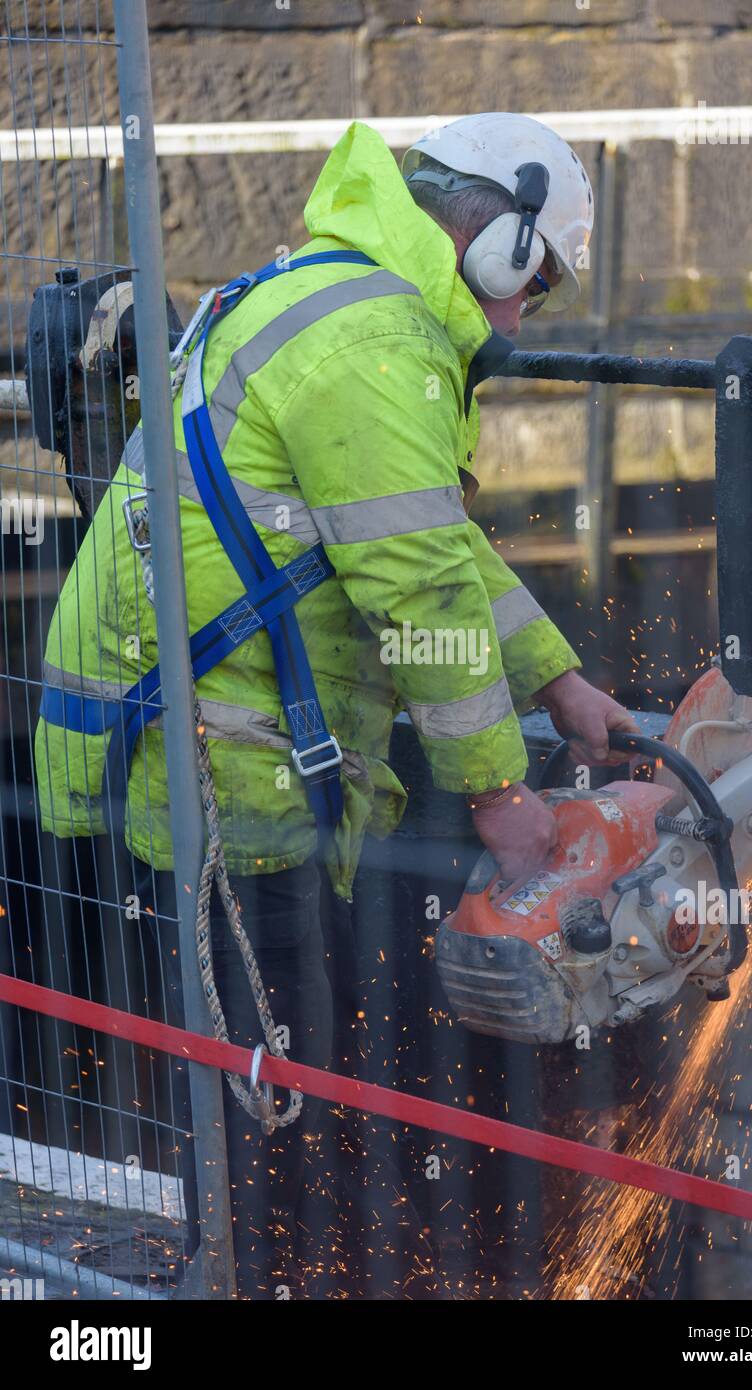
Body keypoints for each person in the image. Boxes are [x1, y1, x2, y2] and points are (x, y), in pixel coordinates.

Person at [34, 112, 638, 1296]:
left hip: (199, 728)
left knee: (276, 1033)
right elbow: (411, 584)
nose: (522, 320)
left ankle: (267, 1249)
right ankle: (259, 1266)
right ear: (496, 239)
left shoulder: (349, 295)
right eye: (535, 287)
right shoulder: (373, 337)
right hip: (208, 753)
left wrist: (558, 683)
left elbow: (432, 540)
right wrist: (499, 791)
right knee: (270, 1053)